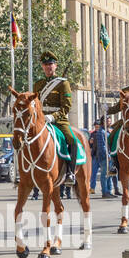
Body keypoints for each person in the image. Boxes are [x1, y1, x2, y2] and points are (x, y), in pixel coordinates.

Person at [34, 52, 78, 187]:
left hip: (58, 121)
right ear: (42, 66)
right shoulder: (38, 84)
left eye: (50, 64)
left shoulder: (63, 84)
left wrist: (52, 117)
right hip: (41, 120)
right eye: (46, 65)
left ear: (55, 66)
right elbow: (35, 102)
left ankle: (70, 172)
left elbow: (66, 106)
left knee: (72, 140)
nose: (48, 67)